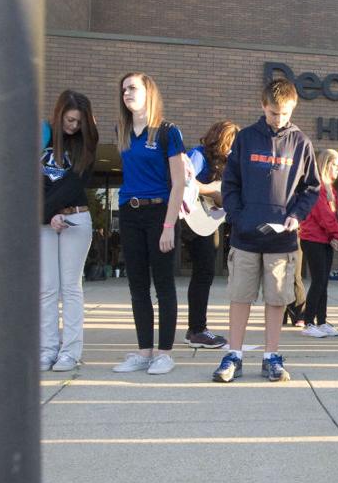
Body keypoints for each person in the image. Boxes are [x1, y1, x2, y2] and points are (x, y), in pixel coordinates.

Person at [212, 78, 319, 383]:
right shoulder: (245, 139)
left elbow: (311, 189)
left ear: (293, 108)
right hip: (246, 236)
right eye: (274, 113)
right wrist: (237, 217)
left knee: (276, 300)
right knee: (240, 296)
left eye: (285, 113)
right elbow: (229, 184)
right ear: (263, 106)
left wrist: (296, 216)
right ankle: (234, 355)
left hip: (282, 239)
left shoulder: (302, 144)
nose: (279, 119)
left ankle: (271, 357)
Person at [112, 73, 186, 375]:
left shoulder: (168, 132)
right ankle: (144, 351)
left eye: (133, 88)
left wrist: (169, 226)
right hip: (129, 215)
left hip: (159, 215)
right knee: (137, 287)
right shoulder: (123, 130)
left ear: (148, 92)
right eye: (124, 90)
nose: (127, 93)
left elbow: (179, 182)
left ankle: (164, 353)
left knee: (164, 286)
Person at [40, 90, 98, 373]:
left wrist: (46, 212)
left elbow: (75, 184)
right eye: (70, 120)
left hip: (75, 219)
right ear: (60, 113)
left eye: (79, 122)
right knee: (47, 288)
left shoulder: (86, 144)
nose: (73, 126)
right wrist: (47, 215)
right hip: (45, 222)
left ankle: (70, 352)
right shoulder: (43, 137)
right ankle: (47, 349)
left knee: (71, 287)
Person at [181, 120, 238, 349]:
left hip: (209, 222)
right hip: (193, 220)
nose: (234, 148)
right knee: (202, 273)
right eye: (231, 143)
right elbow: (185, 181)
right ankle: (196, 330)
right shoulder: (198, 155)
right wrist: (212, 190)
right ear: (220, 139)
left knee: (205, 274)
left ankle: (198, 328)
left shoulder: (226, 165)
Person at [298, 149, 338, 338]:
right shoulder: (316, 187)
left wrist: (334, 236)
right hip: (312, 239)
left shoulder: (330, 189)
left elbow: (332, 217)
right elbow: (323, 216)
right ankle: (309, 322)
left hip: (325, 240)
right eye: (335, 165)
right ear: (326, 164)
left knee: (323, 282)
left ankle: (322, 321)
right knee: (318, 281)